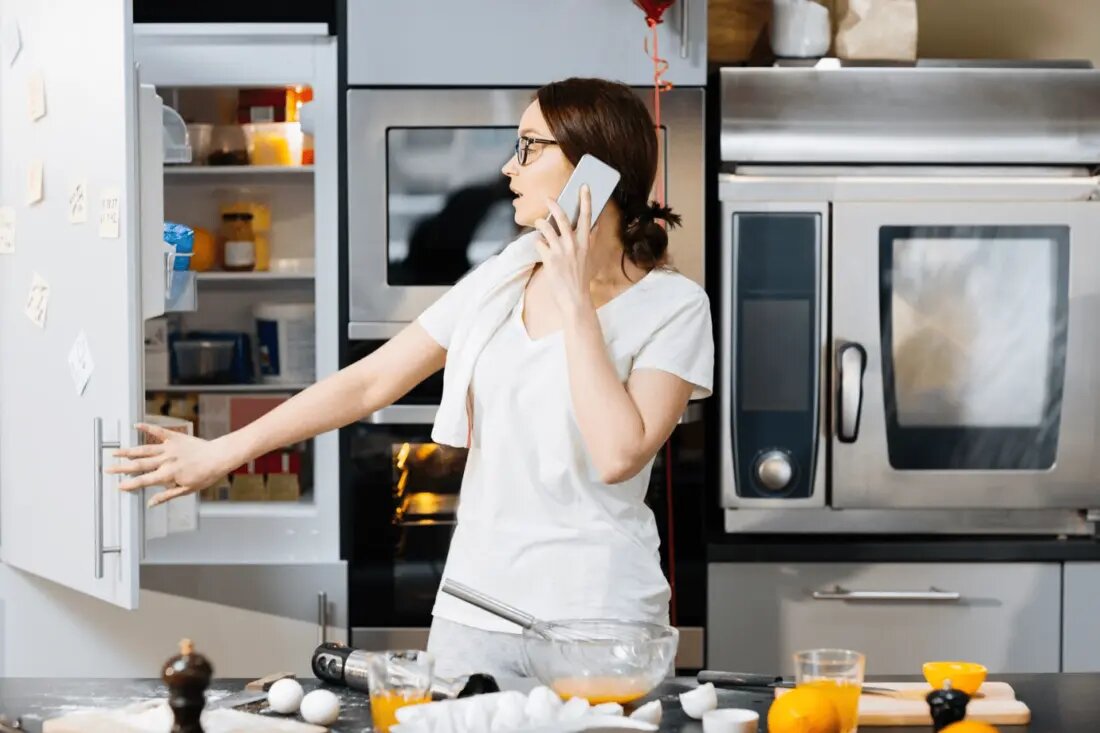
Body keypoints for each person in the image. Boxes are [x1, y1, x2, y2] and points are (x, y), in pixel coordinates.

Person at [109, 77, 714, 680]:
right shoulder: (508, 272)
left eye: (530, 146)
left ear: (594, 169)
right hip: (477, 608)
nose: (510, 166)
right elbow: (370, 383)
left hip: (598, 619)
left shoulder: (673, 307)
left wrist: (576, 301)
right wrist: (223, 453)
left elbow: (618, 454)